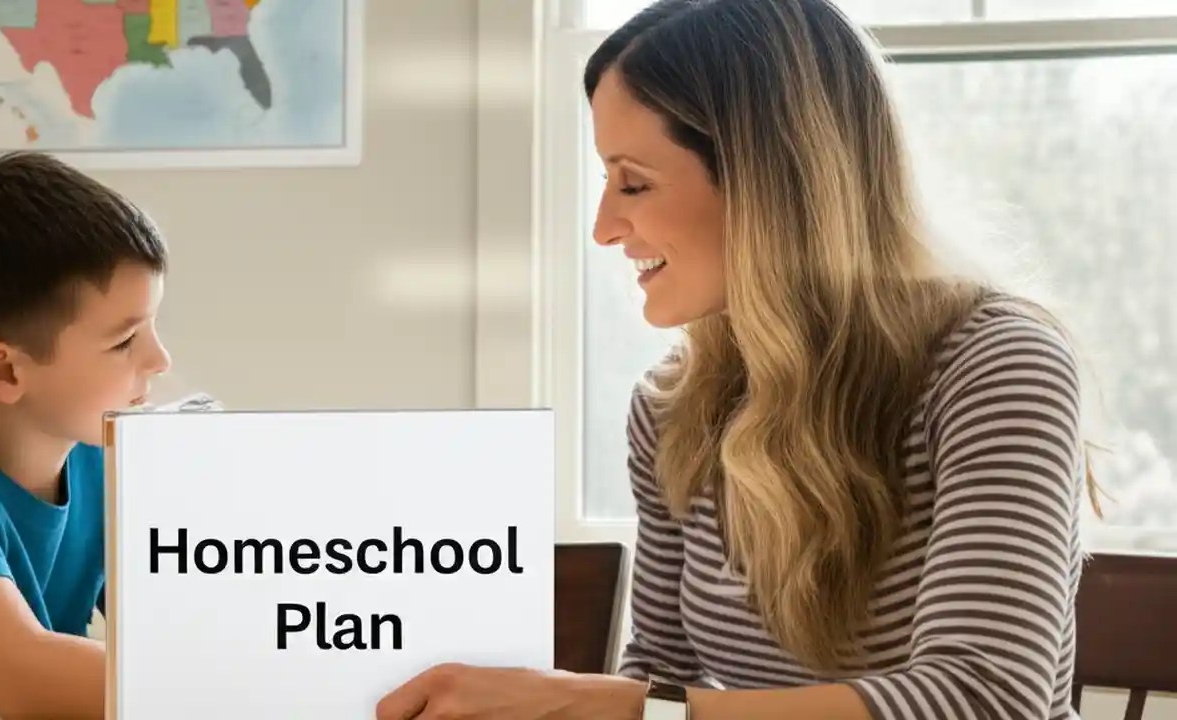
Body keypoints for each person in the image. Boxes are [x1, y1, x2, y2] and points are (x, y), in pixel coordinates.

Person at [376, 0, 1099, 718]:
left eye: (634, 182)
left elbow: (988, 698)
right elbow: (659, 678)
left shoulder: (996, 365)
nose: (603, 228)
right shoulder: (670, 407)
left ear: (770, 181)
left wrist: (617, 709)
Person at [0, 152, 171, 717]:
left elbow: (172, 622)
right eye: (124, 341)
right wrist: (260, 682)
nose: (160, 359)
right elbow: (25, 674)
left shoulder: (103, 461)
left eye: (152, 328)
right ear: (4, 372)